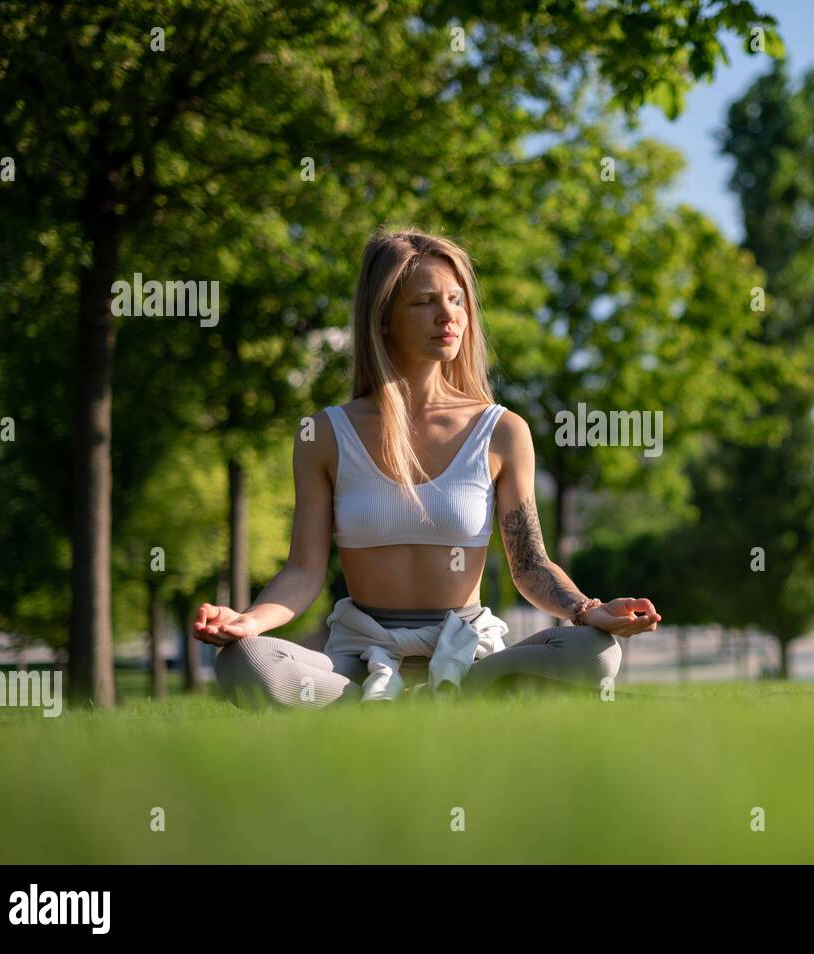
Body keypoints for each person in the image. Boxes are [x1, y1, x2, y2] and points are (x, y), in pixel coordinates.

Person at [193, 226, 661, 708]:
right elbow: (303, 571)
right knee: (241, 659)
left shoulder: (501, 430)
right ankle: (396, 698)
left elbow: (531, 566)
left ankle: (436, 694)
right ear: (383, 319)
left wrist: (589, 610)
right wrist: (247, 622)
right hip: (360, 652)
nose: (448, 316)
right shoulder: (325, 434)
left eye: (457, 300)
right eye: (423, 303)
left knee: (596, 653)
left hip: (468, 648)